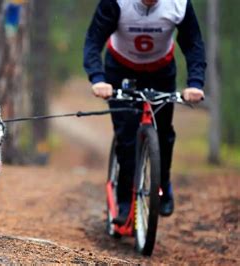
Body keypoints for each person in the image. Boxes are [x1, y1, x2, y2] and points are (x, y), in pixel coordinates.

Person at [83, 0, 206, 223]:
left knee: (164, 134)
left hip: (161, 71)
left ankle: (163, 184)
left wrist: (195, 83)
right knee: (126, 136)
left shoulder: (178, 4)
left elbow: (193, 44)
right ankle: (124, 202)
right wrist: (98, 79)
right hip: (120, 70)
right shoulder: (117, 3)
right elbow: (93, 40)